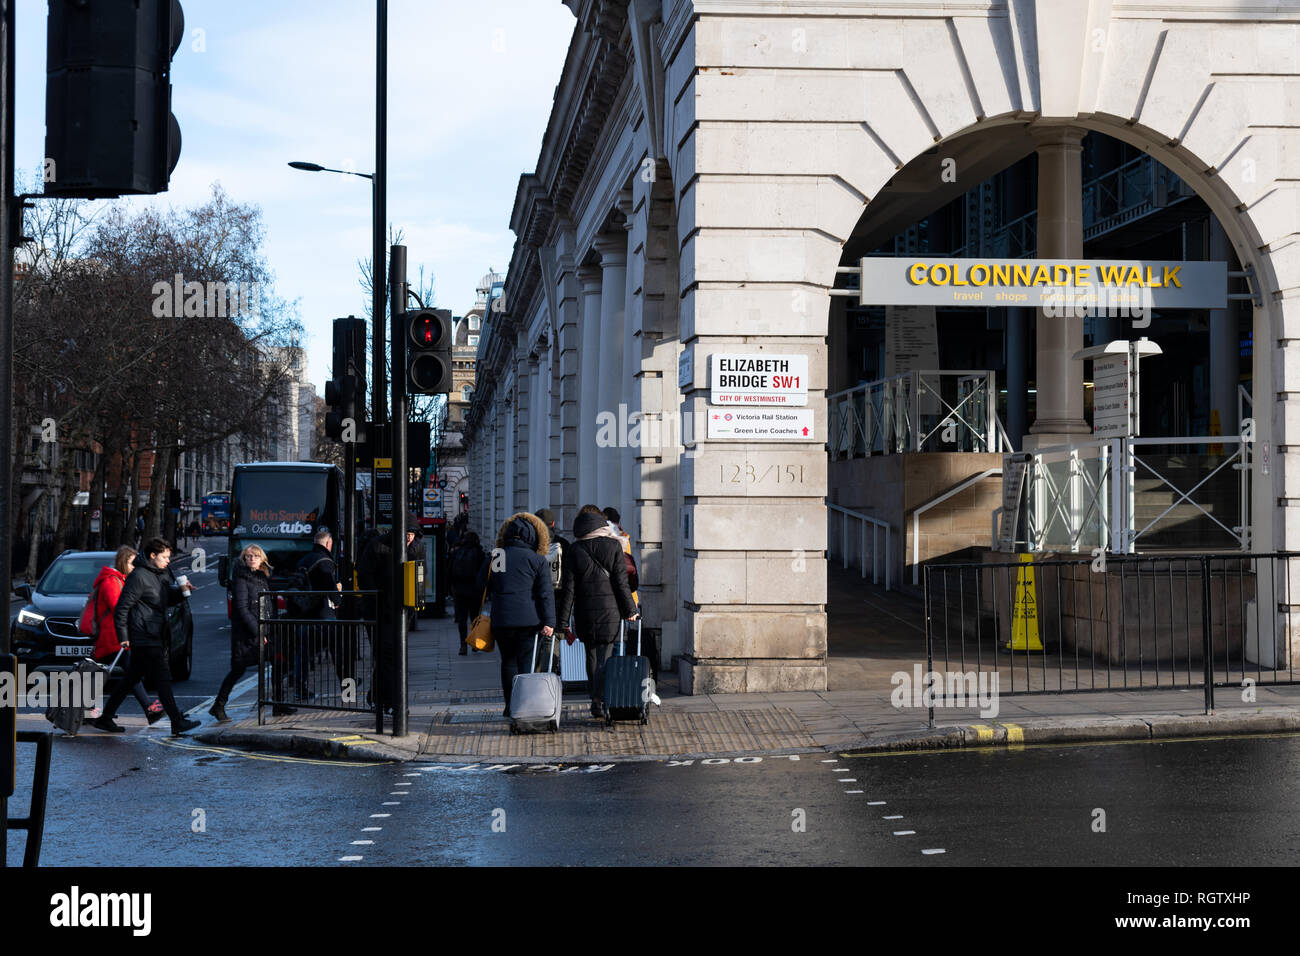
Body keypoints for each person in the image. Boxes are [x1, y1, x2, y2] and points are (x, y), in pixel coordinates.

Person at [90, 537, 200, 735]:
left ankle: (106, 718)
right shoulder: (138, 576)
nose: (168, 561)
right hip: (143, 634)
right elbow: (122, 608)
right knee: (163, 677)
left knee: (130, 679)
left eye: (169, 557)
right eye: (164, 557)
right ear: (152, 555)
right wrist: (123, 636)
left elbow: (164, 600)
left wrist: (182, 591)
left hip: (155, 632)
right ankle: (177, 721)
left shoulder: (162, 574)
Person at [556, 504, 638, 719]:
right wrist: (631, 610)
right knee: (607, 655)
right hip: (610, 611)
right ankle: (603, 698)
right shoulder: (613, 546)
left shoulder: (574, 549)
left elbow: (569, 590)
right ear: (601, 524)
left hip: (584, 613)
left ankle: (595, 697)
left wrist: (563, 620)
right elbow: (621, 583)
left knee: (591, 656)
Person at [474, 512, 555, 716]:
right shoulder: (537, 560)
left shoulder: (498, 556)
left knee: (508, 662)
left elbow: (482, 584)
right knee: (526, 664)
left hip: (502, 618)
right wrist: (549, 621)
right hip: (529, 619)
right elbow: (545, 594)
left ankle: (510, 705)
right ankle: (524, 705)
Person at [90, 546, 164, 725]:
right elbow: (120, 608)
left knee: (112, 674)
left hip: (118, 636)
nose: (135, 566)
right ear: (123, 562)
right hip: (114, 637)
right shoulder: (112, 582)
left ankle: (89, 709)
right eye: (132, 563)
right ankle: (147, 708)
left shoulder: (121, 580)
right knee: (131, 673)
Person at [210, 545, 275, 722]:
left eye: (255, 556)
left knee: (277, 661)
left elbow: (268, 606)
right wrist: (258, 631)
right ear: (244, 559)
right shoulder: (240, 579)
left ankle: (278, 704)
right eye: (248, 556)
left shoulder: (262, 578)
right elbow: (241, 609)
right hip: (246, 636)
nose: (252, 558)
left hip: (262, 631)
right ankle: (218, 705)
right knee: (237, 670)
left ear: (262, 559)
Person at [602, 505, 655, 681]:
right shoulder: (624, 539)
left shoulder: (620, 540)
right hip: (625, 596)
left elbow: (626, 573)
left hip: (617, 596)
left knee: (616, 641)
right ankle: (617, 675)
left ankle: (615, 676)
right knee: (619, 639)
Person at [294, 527, 345, 702]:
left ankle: (300, 690)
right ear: (329, 543)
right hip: (324, 614)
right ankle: (348, 687)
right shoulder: (325, 561)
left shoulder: (303, 560)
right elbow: (330, 588)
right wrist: (338, 599)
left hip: (305, 614)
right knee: (338, 651)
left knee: (303, 655)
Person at [535, 508, 568, 672]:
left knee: (535, 640)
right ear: (553, 524)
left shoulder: (532, 545)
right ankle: (548, 673)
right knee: (552, 639)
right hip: (558, 600)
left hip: (535, 600)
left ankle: (535, 672)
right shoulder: (564, 544)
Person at [449, 530, 487, 655]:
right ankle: (474, 643)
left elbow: (449, 570)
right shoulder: (480, 553)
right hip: (475, 591)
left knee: (462, 619)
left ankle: (462, 646)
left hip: (460, 591)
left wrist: (453, 588)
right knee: (474, 617)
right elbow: (484, 574)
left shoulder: (457, 552)